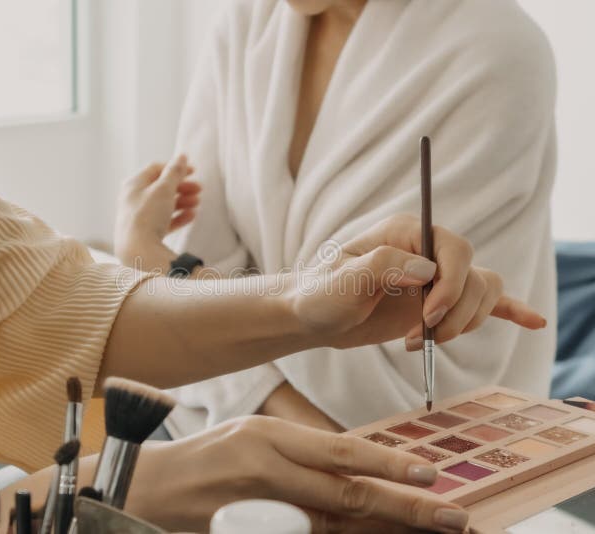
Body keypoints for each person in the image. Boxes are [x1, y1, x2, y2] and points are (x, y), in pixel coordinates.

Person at [0, 1, 544, 532]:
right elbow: (168, 270)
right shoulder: (246, 29)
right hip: (182, 410)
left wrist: (299, 305)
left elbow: (36, 304)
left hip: (188, 401)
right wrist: (97, 496)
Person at [114, 0, 557, 437]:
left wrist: (151, 264)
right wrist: (175, 288)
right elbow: (189, 300)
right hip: (209, 425)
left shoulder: (495, 53)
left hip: (421, 465)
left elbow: (402, 396)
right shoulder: (246, 22)